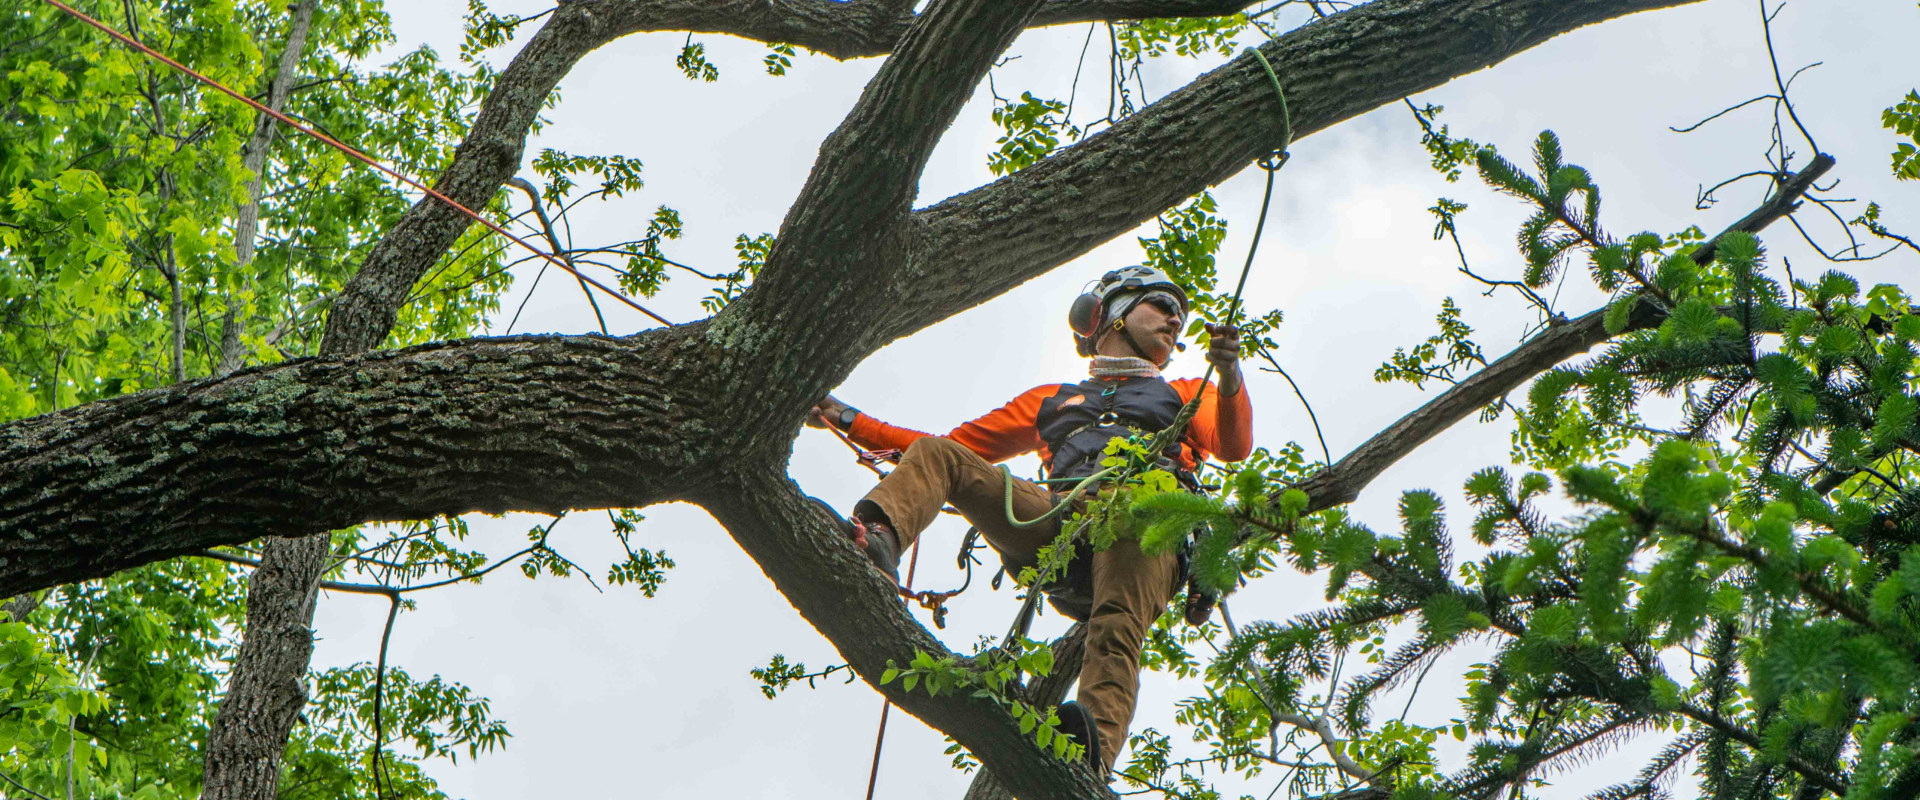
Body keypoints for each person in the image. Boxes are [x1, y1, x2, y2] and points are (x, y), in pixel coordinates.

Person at [807, 265, 1255, 775]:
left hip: (1143, 526)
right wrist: (845, 417)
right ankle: (878, 539)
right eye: (1161, 305)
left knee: (1116, 630)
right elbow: (942, 448)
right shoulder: (1051, 401)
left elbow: (1234, 444)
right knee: (943, 456)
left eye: (1180, 314)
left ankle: (1088, 761)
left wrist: (1231, 375)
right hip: (1062, 522)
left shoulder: (1188, 392)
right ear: (1112, 314)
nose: (1176, 321)